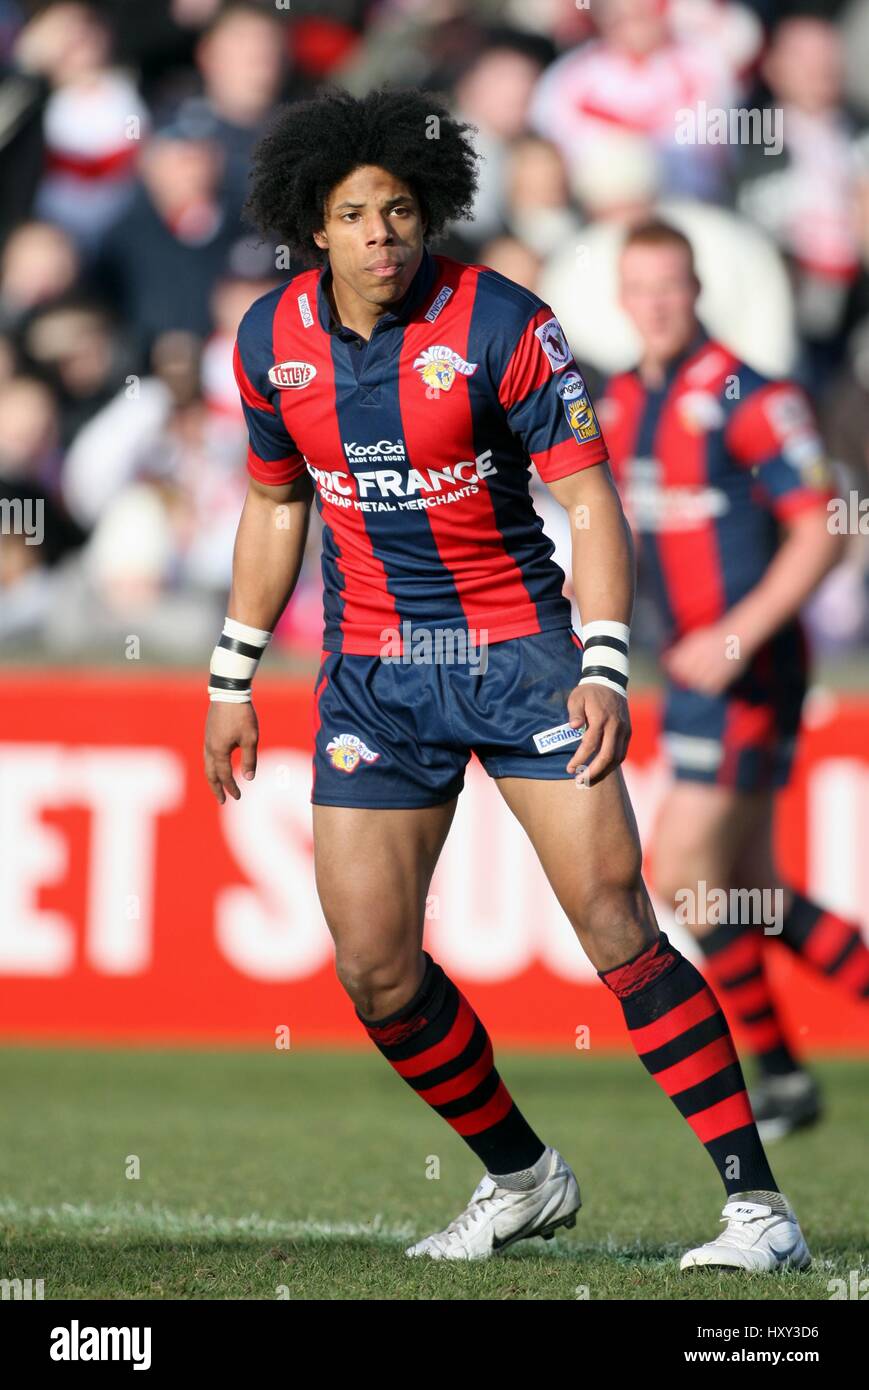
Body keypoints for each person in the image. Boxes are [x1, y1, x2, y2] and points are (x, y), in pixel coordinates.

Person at [204, 87, 809, 1270]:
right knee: (375, 971)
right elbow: (276, 502)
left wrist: (601, 662)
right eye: (354, 214)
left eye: (400, 210)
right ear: (313, 230)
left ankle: (758, 1210)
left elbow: (588, 498)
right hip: (373, 676)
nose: (382, 233)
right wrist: (230, 675)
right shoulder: (268, 342)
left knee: (618, 924)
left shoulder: (500, 323)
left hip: (520, 659)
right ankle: (522, 1177)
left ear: (429, 216)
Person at [600, 219, 869, 1140]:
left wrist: (735, 635)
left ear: (697, 288)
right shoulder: (621, 403)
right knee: (738, 890)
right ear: (620, 298)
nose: (656, 304)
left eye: (670, 285)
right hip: (691, 671)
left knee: (679, 872)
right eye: (640, 288)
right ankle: (786, 1080)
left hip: (747, 669)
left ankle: (781, 1073)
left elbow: (826, 524)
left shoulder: (747, 395)